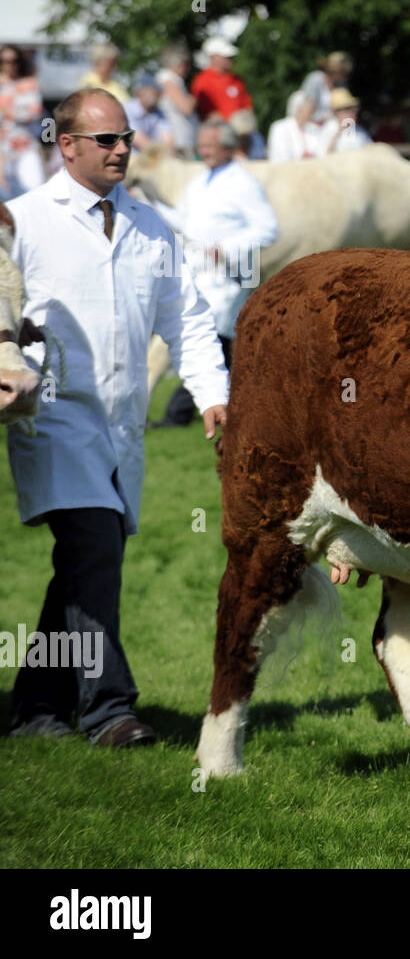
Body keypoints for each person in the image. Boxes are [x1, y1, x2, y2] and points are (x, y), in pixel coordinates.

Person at [5, 88, 229, 745]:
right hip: (52, 418)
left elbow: (185, 319)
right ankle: (111, 711)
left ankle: (37, 710)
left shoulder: (151, 226)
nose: (123, 149)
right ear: (65, 144)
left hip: (124, 427)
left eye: (126, 137)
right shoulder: (20, 223)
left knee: (83, 566)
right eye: (106, 140)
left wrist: (214, 392)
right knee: (94, 549)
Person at [153, 118, 278, 427]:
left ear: (228, 148)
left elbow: (268, 228)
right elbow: (184, 221)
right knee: (219, 344)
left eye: (210, 146)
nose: (204, 151)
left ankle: (179, 414)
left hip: (228, 277)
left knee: (212, 340)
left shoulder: (243, 183)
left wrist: (228, 247)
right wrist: (148, 203)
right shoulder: (199, 182)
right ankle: (245, 407)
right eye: (202, 145)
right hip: (197, 273)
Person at [0, 45, 44, 201]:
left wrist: (7, 109)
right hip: (3, 149)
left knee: (35, 192)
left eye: (14, 61)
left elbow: (32, 112)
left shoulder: (29, 83)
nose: (9, 65)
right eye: (4, 61)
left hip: (24, 145)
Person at [191, 38, 253, 121]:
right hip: (218, 130)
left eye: (230, 56)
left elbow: (247, 106)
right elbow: (205, 112)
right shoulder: (202, 81)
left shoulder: (236, 79)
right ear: (213, 57)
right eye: (226, 57)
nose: (230, 59)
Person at [155, 44, 198, 156]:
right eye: (185, 64)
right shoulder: (168, 79)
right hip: (178, 142)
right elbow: (186, 108)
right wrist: (198, 91)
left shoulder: (170, 79)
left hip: (180, 140)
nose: (187, 68)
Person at [123, 74, 174, 155]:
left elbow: (168, 140)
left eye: (158, 93)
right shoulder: (127, 110)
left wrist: (169, 155)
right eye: (154, 92)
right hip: (132, 160)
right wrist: (164, 155)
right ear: (141, 92)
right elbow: (139, 141)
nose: (158, 96)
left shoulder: (159, 113)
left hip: (154, 158)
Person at [266, 91, 322, 163]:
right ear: (299, 109)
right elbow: (280, 158)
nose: (312, 112)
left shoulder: (314, 129)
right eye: (309, 109)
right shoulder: (280, 128)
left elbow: (320, 153)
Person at [298, 52, 353, 123]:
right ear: (334, 70)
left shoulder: (341, 84)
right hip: (312, 124)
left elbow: (344, 108)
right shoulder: (315, 79)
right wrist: (323, 118)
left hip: (333, 124)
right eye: (343, 74)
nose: (345, 77)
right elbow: (307, 109)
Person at [316, 88, 373, 153]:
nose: (352, 112)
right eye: (347, 109)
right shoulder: (329, 128)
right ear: (336, 112)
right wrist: (338, 133)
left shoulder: (361, 131)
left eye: (353, 108)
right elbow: (322, 155)